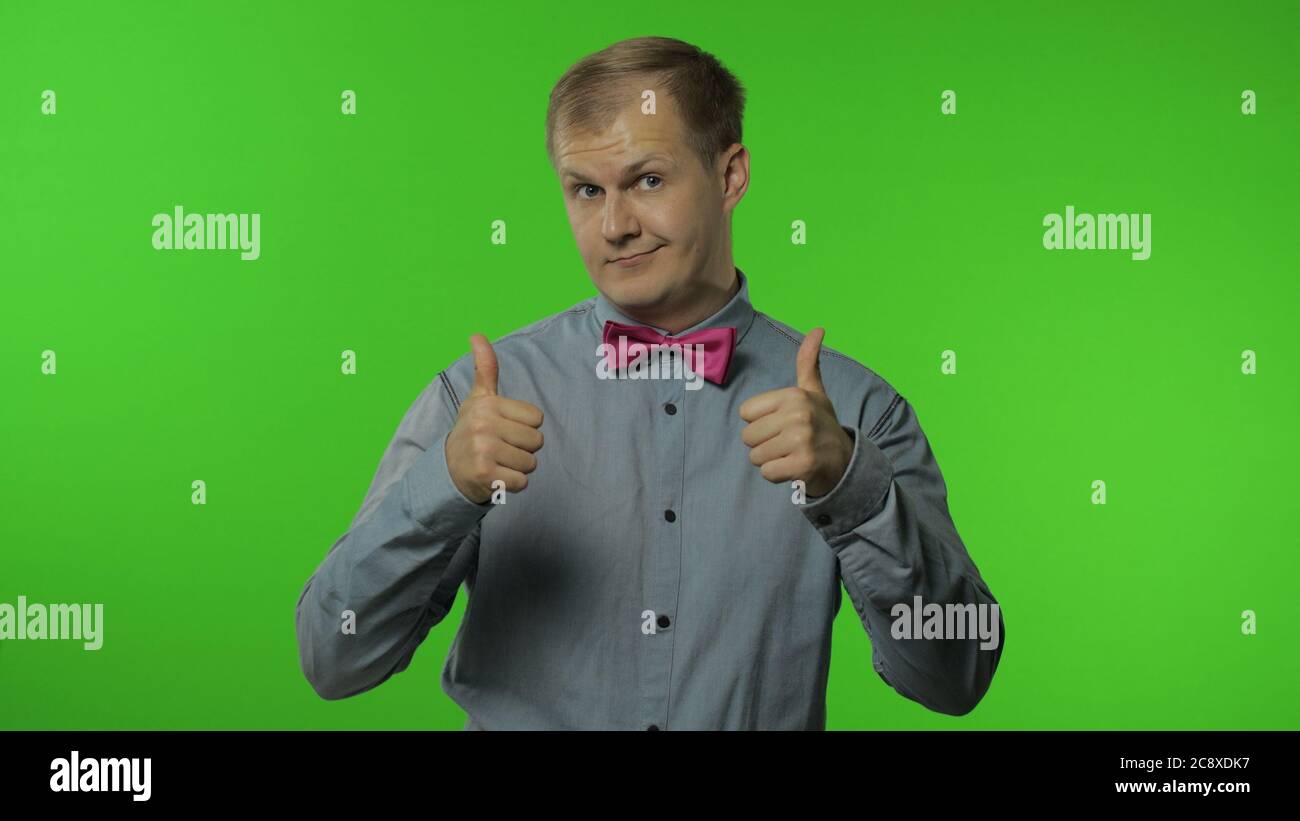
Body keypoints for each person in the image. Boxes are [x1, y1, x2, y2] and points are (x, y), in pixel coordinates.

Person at [295, 35, 1004, 730]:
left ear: (730, 177)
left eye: (648, 181)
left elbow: (959, 674)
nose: (614, 225)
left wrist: (851, 486)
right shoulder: (478, 401)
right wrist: (443, 488)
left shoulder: (857, 413)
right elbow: (333, 657)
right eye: (585, 190)